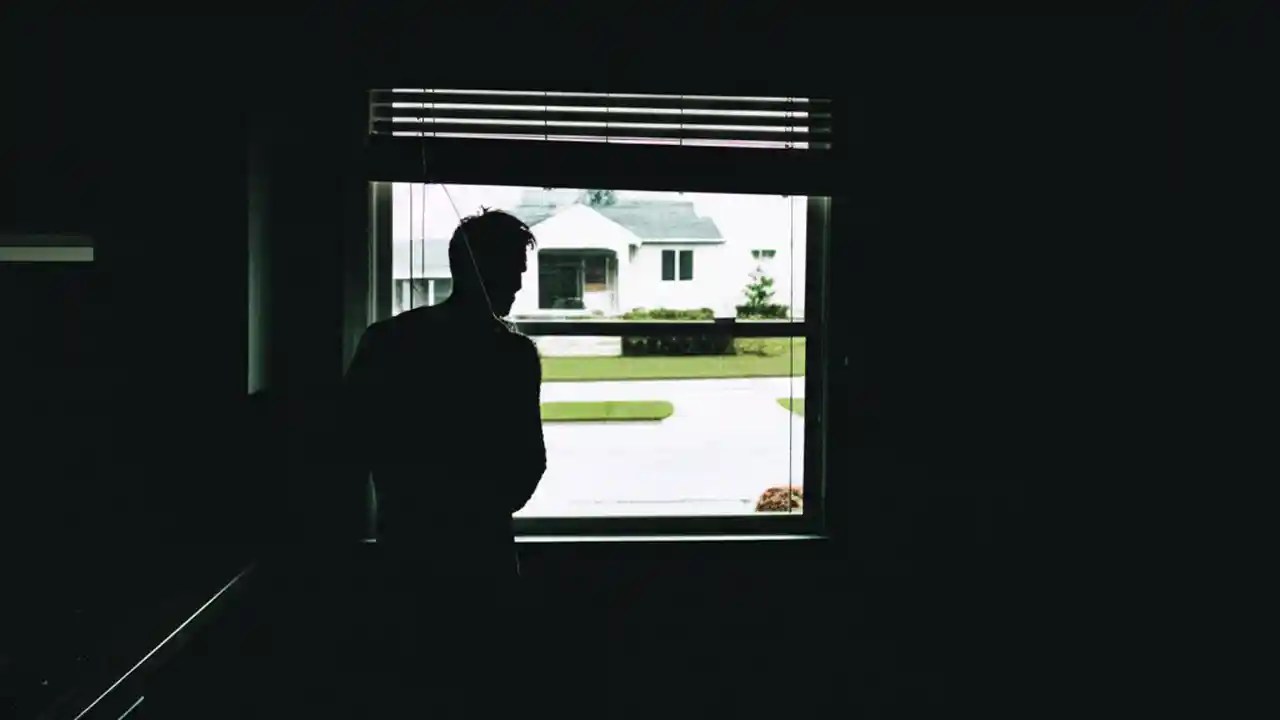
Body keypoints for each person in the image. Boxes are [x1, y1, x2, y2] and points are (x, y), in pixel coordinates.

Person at [339, 208, 546, 716]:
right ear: (477, 268)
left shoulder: (386, 341)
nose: (519, 282)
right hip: (484, 554)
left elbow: (349, 440)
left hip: (403, 545)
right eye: (512, 267)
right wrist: (481, 502)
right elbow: (528, 465)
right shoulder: (512, 354)